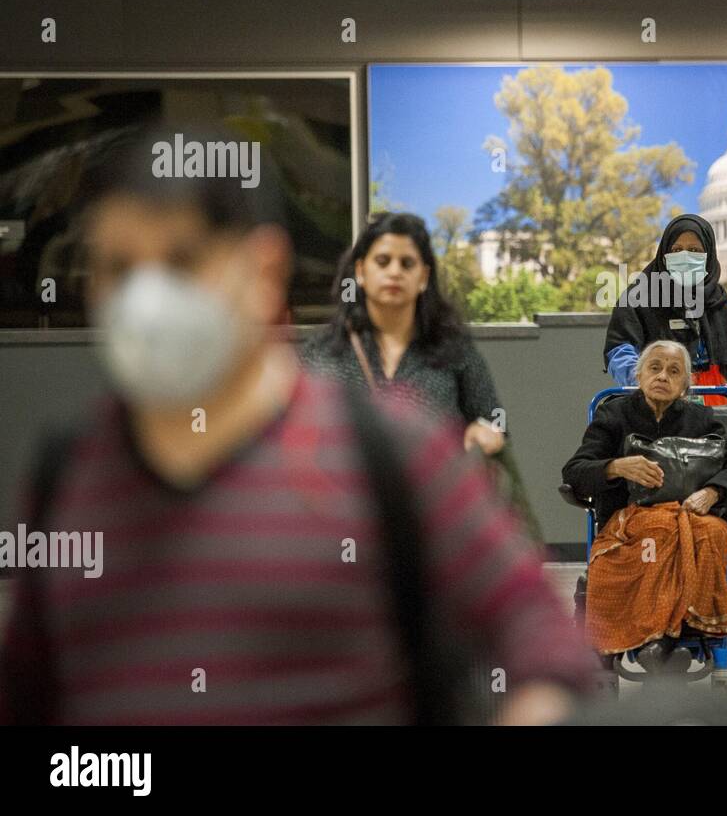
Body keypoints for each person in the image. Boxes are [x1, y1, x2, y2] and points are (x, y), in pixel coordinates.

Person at [0, 127, 593, 725]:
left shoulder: (389, 452)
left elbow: (541, 642)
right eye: (117, 267)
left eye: (182, 260)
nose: (147, 297)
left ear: (264, 268)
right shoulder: (65, 476)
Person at [300, 212, 540, 543]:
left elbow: (494, 421)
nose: (394, 271)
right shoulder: (323, 353)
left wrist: (483, 432)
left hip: (438, 521)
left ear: (423, 276)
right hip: (345, 524)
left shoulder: (453, 350)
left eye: (406, 263)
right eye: (382, 261)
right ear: (360, 272)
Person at [562, 340, 727, 657]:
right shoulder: (614, 417)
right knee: (657, 531)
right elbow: (575, 472)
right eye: (655, 368)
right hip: (633, 520)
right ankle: (662, 635)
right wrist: (615, 467)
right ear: (638, 376)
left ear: (684, 386)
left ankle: (665, 636)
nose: (663, 376)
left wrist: (712, 492)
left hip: (697, 517)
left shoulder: (703, 420)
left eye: (674, 371)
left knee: (707, 533)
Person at [604, 214, 727, 416]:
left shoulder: (723, 307)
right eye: (676, 250)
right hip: (653, 416)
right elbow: (619, 353)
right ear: (663, 255)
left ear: (708, 255)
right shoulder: (638, 299)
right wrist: (650, 381)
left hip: (714, 423)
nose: (684, 256)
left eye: (694, 250)